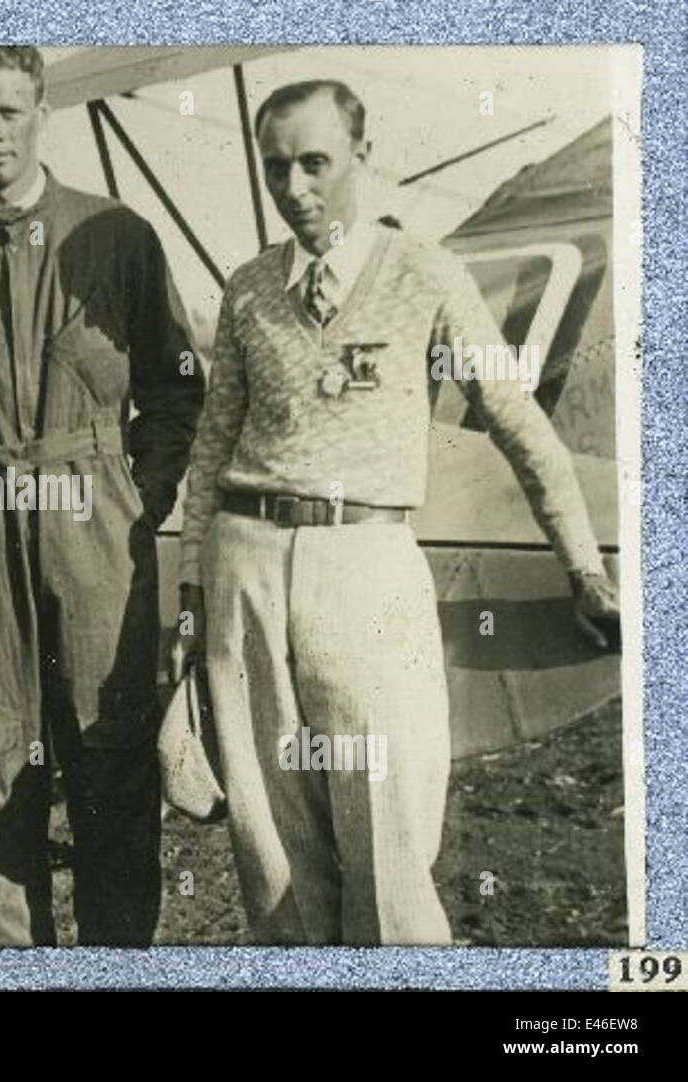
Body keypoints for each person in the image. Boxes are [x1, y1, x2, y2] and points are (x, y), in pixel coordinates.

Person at [170, 79, 621, 945]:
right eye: (276, 169)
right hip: (246, 570)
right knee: (272, 851)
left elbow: (517, 420)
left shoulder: (424, 274)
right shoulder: (250, 289)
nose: (295, 189)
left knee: (387, 841)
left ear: (362, 158)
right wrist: (193, 596)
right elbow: (210, 449)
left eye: (315, 163)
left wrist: (583, 567)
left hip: (365, 570)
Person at [0, 46, 204, 946]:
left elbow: (176, 391)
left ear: (41, 112)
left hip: (95, 541)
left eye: (10, 112)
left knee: (113, 771)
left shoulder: (117, 237)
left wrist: (141, 498)